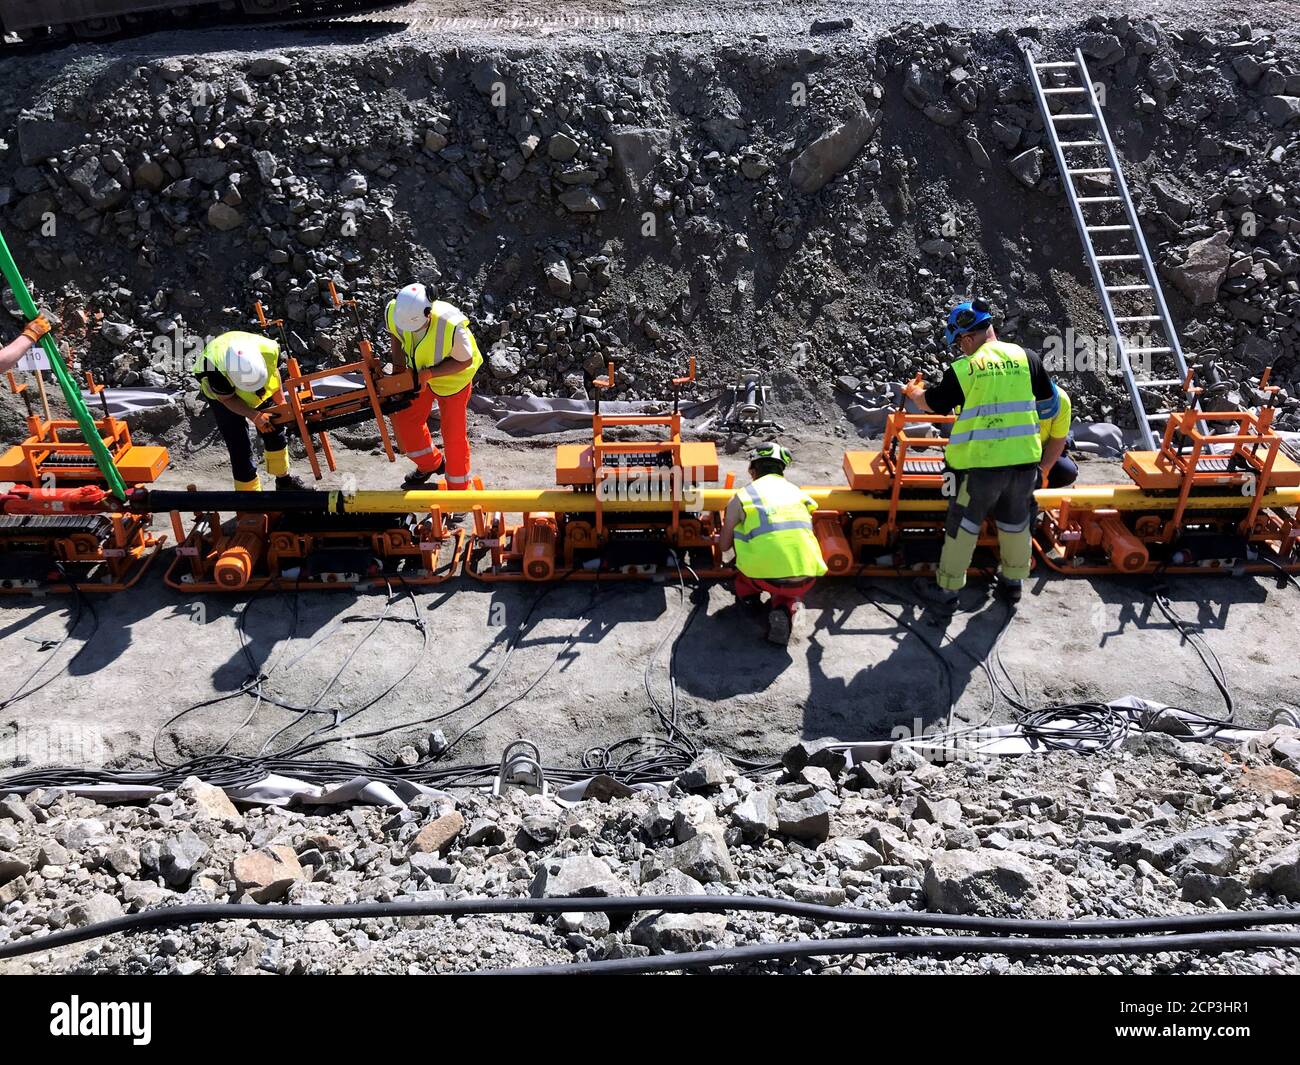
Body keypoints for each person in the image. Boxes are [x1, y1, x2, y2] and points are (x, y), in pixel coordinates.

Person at [904, 299, 1056, 609]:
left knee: (963, 527)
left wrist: (913, 392)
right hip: (1025, 463)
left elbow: (932, 404)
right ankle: (1012, 585)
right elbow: (1050, 406)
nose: (961, 349)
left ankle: (947, 593)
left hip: (977, 468)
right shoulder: (1027, 358)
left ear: (968, 337)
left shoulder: (965, 369)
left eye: (960, 342)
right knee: (1016, 525)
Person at [719, 443, 828, 645]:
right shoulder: (800, 494)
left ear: (752, 470)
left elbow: (724, 546)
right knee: (789, 590)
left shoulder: (743, 497)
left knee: (744, 576)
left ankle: (750, 600)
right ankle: (784, 609)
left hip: (762, 577)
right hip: (807, 577)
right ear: (782, 469)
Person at [384, 283, 482, 490]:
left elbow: (464, 361)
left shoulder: (450, 324)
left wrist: (430, 374)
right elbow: (396, 336)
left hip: (453, 382)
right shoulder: (396, 312)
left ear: (428, 313)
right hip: (418, 376)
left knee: (453, 436)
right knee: (405, 419)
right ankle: (431, 464)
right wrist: (399, 372)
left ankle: (458, 491)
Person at [192, 330, 306, 492]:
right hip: (223, 398)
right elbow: (227, 399)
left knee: (275, 425)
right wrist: (254, 416)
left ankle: (284, 482)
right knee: (239, 445)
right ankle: (249, 497)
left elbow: (274, 374)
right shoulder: (214, 371)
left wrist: (281, 403)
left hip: (252, 378)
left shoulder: (269, 349)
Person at [1038, 382, 1078, 488]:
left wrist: (1043, 473)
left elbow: (1057, 440)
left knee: (1066, 472)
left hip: (1045, 448)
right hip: (1017, 451)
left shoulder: (1060, 399)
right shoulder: (1011, 398)